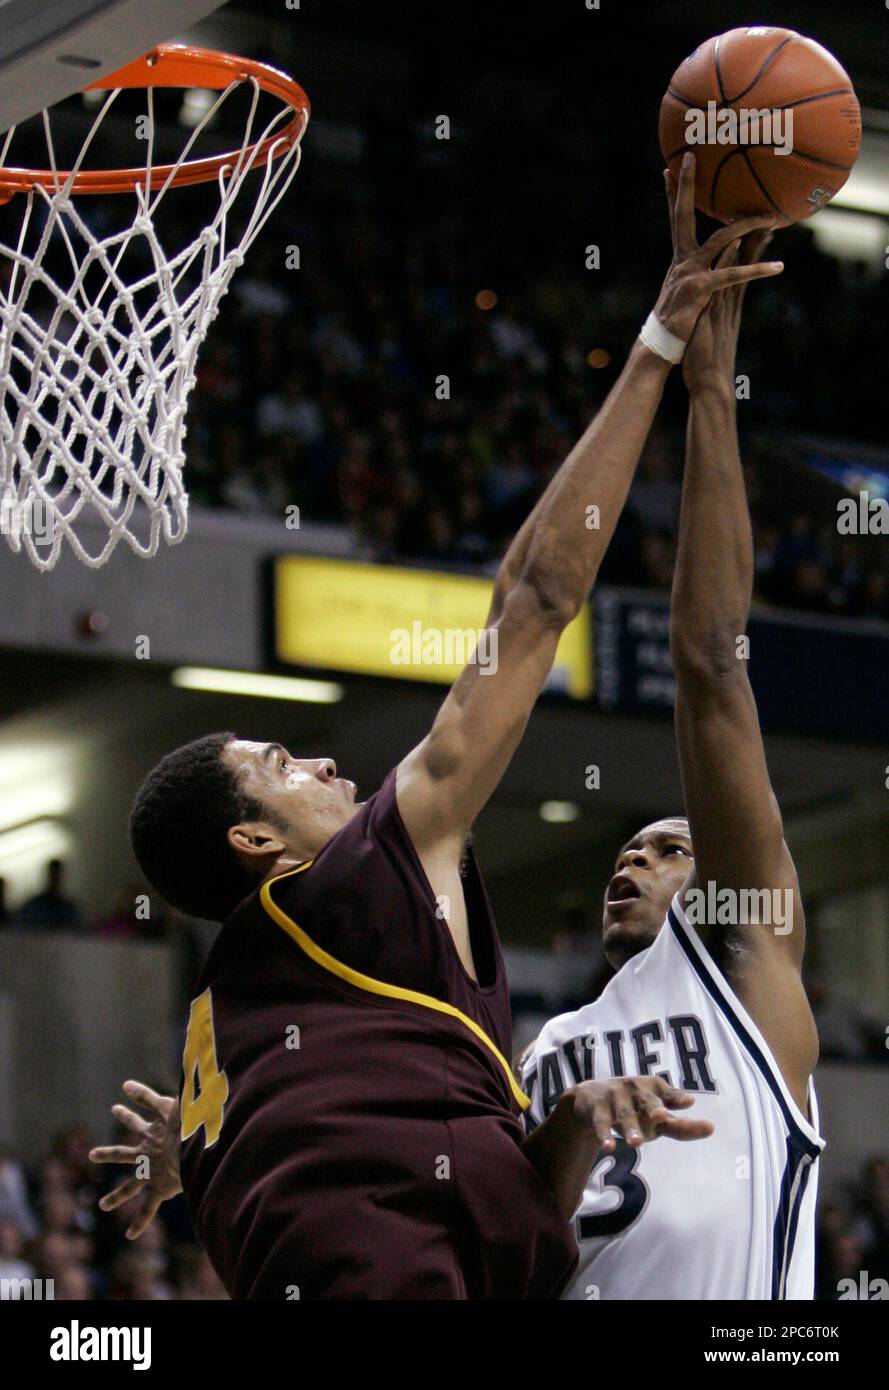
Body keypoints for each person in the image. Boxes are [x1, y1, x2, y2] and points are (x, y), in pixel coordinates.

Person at [90, 155, 779, 1299]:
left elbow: (318, 1177)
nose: (320, 760)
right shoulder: (358, 882)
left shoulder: (234, 1033)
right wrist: (658, 343)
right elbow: (533, 602)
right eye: (279, 764)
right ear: (255, 845)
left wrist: (201, 1155)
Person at [520, 176, 823, 1300]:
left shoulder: (741, 962)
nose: (634, 857)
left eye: (668, 847)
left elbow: (709, 663)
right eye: (632, 846)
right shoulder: (545, 1051)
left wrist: (707, 386)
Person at [15, 859, 80, 931]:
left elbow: (74, 929)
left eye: (57, 875)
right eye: (53, 875)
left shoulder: (68, 908)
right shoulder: (34, 906)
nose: (55, 879)